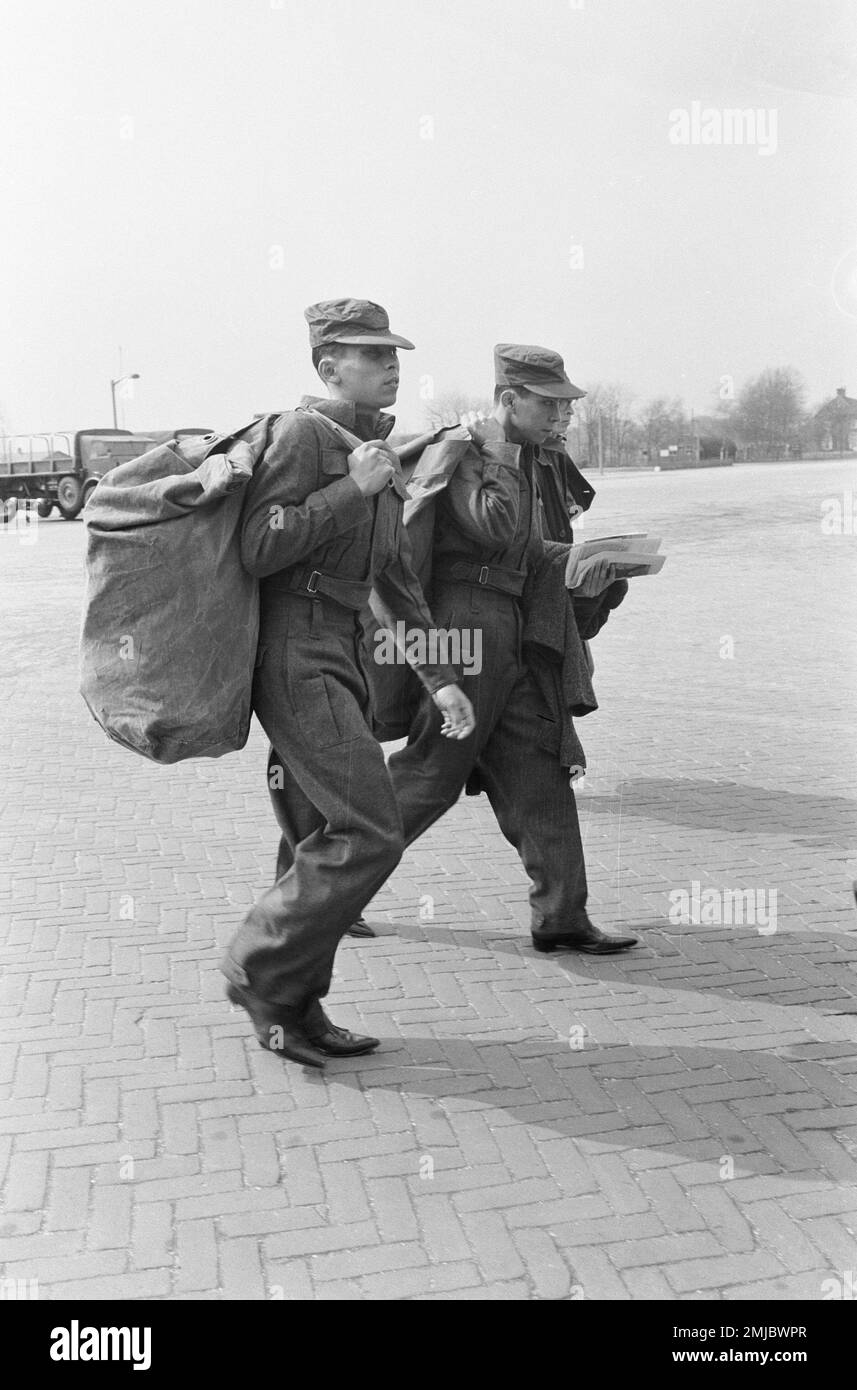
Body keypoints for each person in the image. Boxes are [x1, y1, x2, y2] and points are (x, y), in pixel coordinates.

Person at [221, 299, 475, 1067]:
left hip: (344, 652)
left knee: (311, 838)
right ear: (328, 366)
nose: (390, 363)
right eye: (371, 354)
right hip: (295, 654)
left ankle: (293, 1008)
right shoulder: (304, 436)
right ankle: (257, 969)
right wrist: (351, 492)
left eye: (393, 351)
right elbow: (260, 547)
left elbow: (395, 583)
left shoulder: (374, 447)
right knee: (368, 830)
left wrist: (441, 681)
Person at [384, 344, 638, 956]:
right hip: (462, 627)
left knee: (539, 771)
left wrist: (586, 566)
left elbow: (524, 550)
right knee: (430, 775)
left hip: (509, 623)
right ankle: (323, 886)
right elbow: (492, 526)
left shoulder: (530, 460)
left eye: (566, 407)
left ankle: (561, 917)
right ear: (507, 400)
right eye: (549, 404)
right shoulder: (470, 452)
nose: (562, 417)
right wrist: (497, 448)